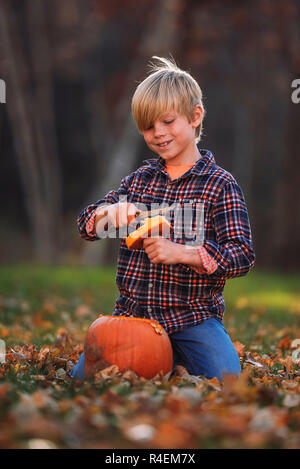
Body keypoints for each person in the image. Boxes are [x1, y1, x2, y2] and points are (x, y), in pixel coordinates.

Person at [71, 56, 255, 382]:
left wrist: (184, 253)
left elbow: (241, 254)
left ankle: (173, 360)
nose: (158, 133)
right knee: (83, 379)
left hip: (193, 318)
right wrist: (108, 214)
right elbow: (87, 226)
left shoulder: (219, 185)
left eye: (168, 122)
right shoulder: (139, 181)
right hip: (132, 318)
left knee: (227, 379)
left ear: (195, 116)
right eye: (147, 126)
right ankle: (162, 363)